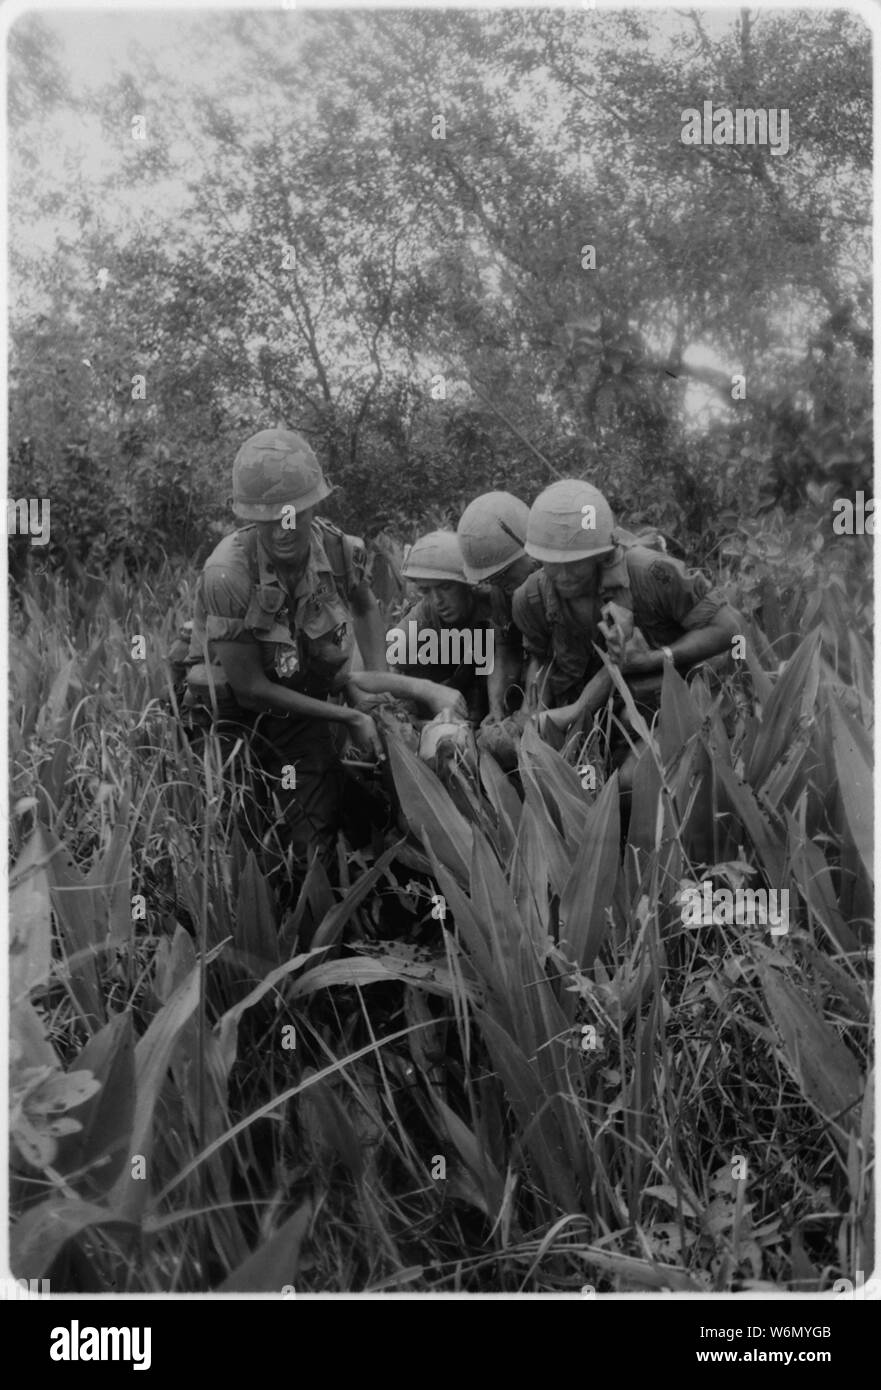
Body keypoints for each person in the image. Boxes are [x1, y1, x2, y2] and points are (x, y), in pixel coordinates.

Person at [184, 428, 465, 885]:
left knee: (310, 842)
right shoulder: (227, 573)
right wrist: (348, 718)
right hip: (235, 712)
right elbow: (251, 689)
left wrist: (374, 688)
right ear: (250, 518)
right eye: (268, 519)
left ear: (315, 506)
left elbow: (364, 603)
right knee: (242, 830)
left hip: (301, 699)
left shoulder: (339, 549)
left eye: (294, 514)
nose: (283, 529)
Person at [511, 478, 742, 790]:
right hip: (595, 719)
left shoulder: (651, 573)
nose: (563, 576)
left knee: (636, 780)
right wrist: (537, 713)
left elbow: (728, 628)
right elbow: (539, 659)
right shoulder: (531, 598)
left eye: (576, 564)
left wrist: (654, 658)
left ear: (601, 554)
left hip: (666, 708)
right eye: (552, 564)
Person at [457, 490, 538, 768]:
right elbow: (504, 648)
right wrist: (496, 707)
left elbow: (548, 657)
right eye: (492, 579)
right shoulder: (502, 592)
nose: (499, 584)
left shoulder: (561, 578)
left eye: (504, 574)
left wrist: (531, 712)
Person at [395, 530, 497, 725]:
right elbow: (394, 675)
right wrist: (414, 721)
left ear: (466, 584)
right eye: (426, 590)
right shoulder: (418, 621)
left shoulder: (494, 606)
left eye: (445, 587)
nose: (437, 601)